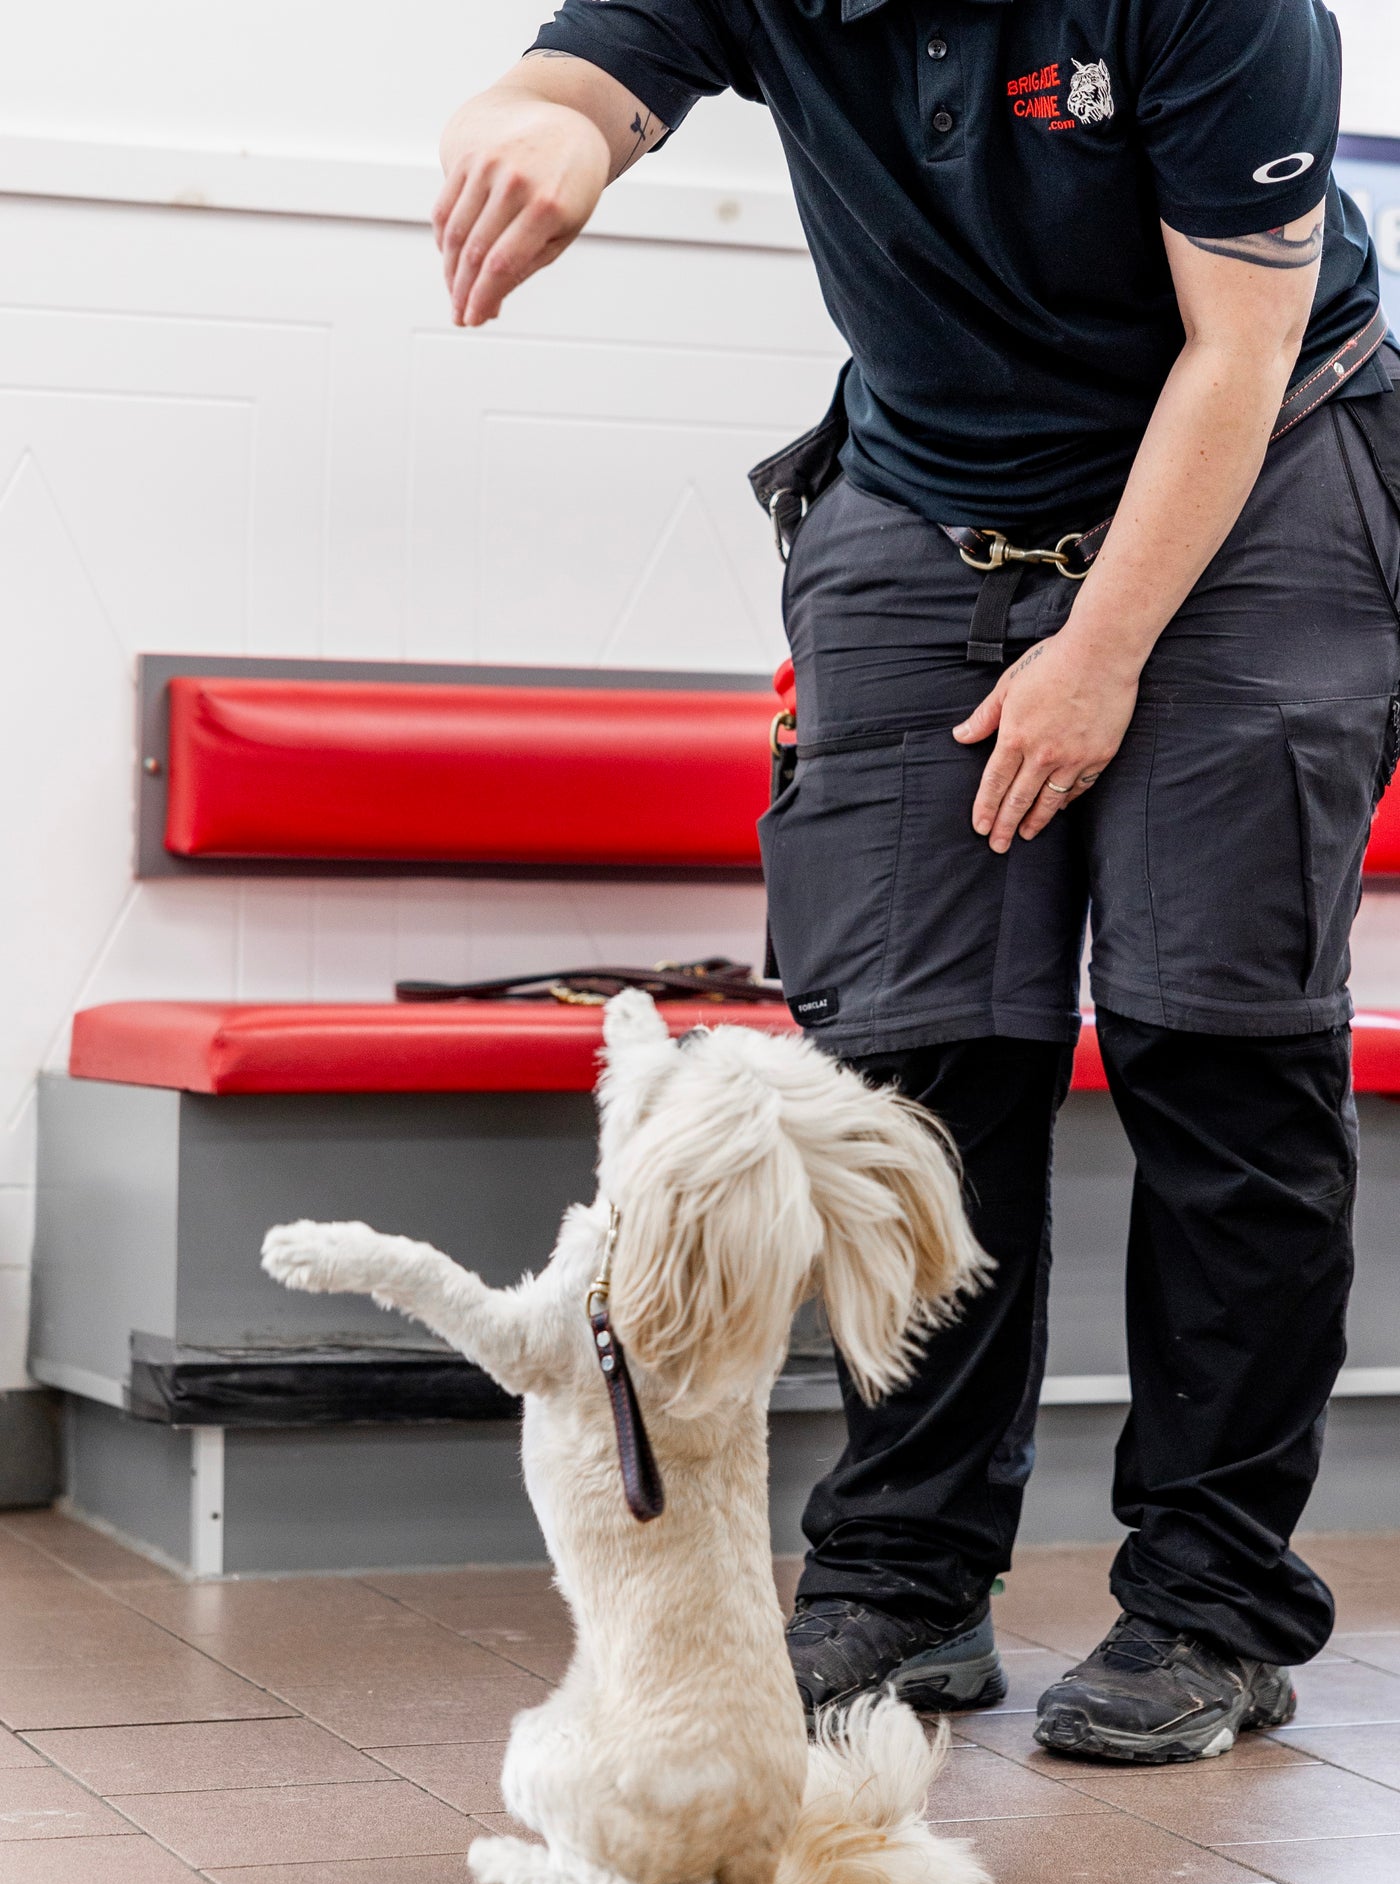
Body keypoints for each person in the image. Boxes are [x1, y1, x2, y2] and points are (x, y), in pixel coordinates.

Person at [433, 0, 1400, 1764]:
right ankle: (901, 1578)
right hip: (922, 487)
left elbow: (1238, 347)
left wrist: (1099, 654)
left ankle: (1212, 1600)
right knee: (911, 1072)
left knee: (1219, 1051)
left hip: (1250, 469)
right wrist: (547, 122)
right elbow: (592, 63)